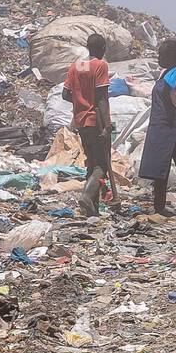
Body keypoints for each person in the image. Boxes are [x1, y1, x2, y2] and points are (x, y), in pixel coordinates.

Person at [138, 38, 176, 217]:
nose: (159, 58)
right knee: (160, 171)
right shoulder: (164, 75)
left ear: (172, 56)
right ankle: (159, 207)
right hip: (161, 129)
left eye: (162, 55)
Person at [61, 34, 112, 216]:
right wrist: (107, 125)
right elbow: (102, 98)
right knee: (101, 166)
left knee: (91, 163)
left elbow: (65, 94)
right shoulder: (100, 65)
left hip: (81, 120)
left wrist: (80, 100)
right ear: (103, 47)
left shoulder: (76, 66)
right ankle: (86, 197)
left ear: (87, 47)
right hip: (95, 121)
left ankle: (93, 208)